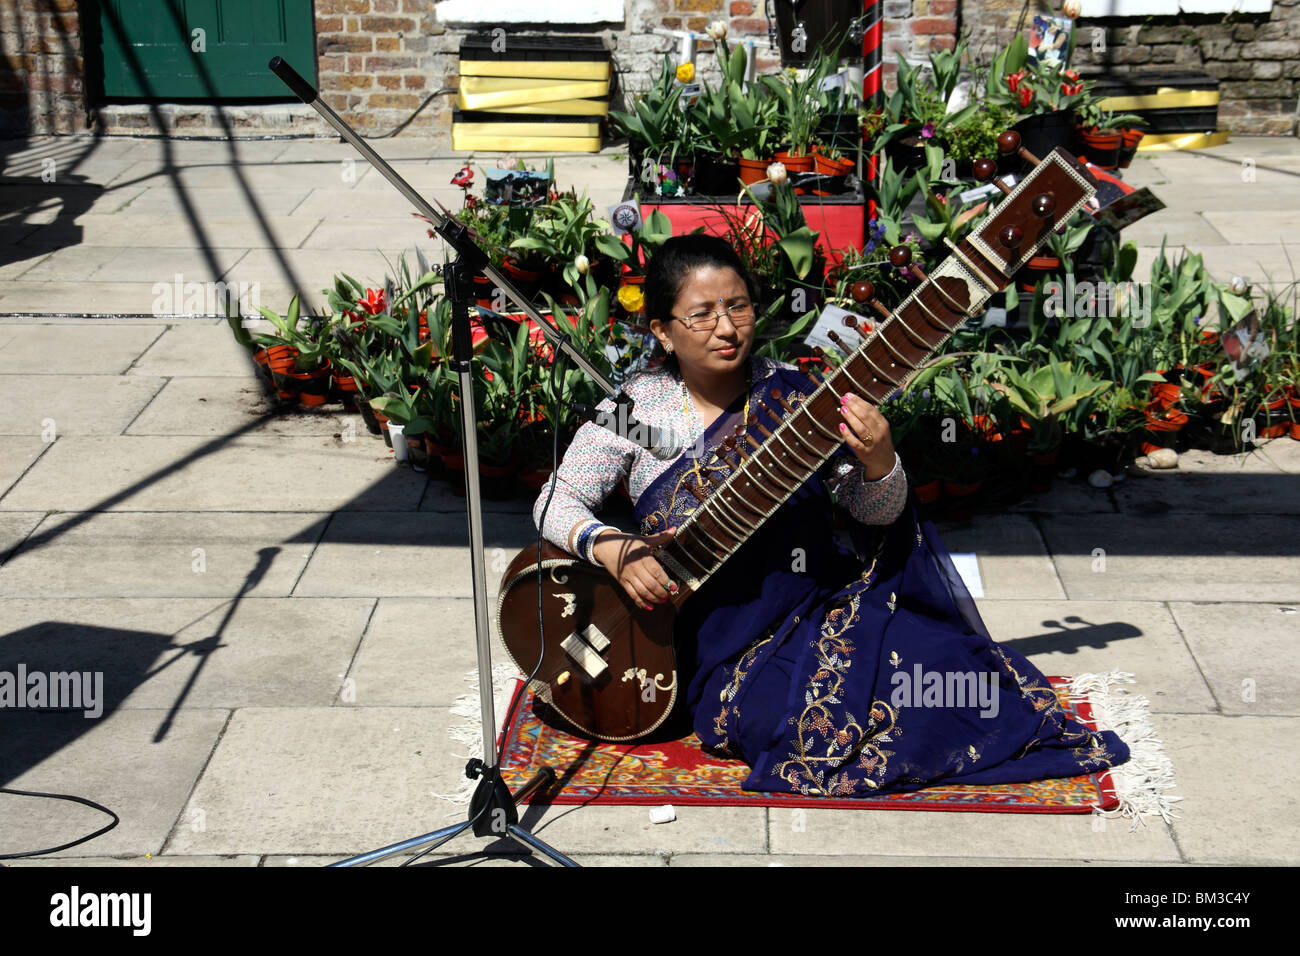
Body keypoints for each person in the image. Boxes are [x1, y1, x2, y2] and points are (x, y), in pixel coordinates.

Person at [534, 234, 1130, 797]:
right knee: (804, 730)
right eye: (702, 314)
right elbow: (553, 501)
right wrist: (612, 546)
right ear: (663, 331)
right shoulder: (637, 410)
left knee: (953, 677)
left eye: (738, 306)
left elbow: (873, 513)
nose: (726, 327)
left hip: (814, 604)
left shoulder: (796, 397)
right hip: (710, 638)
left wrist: (879, 461)